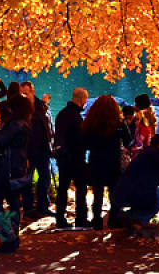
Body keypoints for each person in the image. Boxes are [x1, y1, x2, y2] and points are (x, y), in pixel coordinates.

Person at [0, 95, 31, 254]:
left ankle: (9, 237)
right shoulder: (25, 124)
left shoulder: (15, 124)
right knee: (14, 202)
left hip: (6, 169)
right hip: (17, 167)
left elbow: (1, 141)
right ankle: (13, 235)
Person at [83, 93, 132, 229]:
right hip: (113, 162)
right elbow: (129, 140)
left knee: (97, 193)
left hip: (96, 161)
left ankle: (97, 220)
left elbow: (85, 142)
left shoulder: (91, 123)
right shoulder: (119, 123)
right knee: (114, 192)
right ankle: (113, 219)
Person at [112, 134, 159, 228]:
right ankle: (139, 219)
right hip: (135, 194)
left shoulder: (147, 153)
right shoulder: (155, 154)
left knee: (158, 193)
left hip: (126, 193)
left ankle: (131, 217)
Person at [54, 87, 89, 229]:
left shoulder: (61, 114)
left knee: (62, 189)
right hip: (75, 158)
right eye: (85, 100)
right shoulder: (76, 117)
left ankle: (60, 220)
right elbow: (80, 139)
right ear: (81, 100)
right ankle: (81, 219)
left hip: (62, 158)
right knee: (81, 189)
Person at [20, 80, 54, 218]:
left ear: (32, 92)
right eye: (21, 94)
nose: (23, 97)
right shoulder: (21, 110)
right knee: (27, 179)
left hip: (43, 148)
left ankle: (43, 206)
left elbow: (48, 124)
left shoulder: (41, 106)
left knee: (45, 178)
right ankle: (28, 208)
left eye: (25, 94)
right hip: (28, 150)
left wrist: (51, 143)